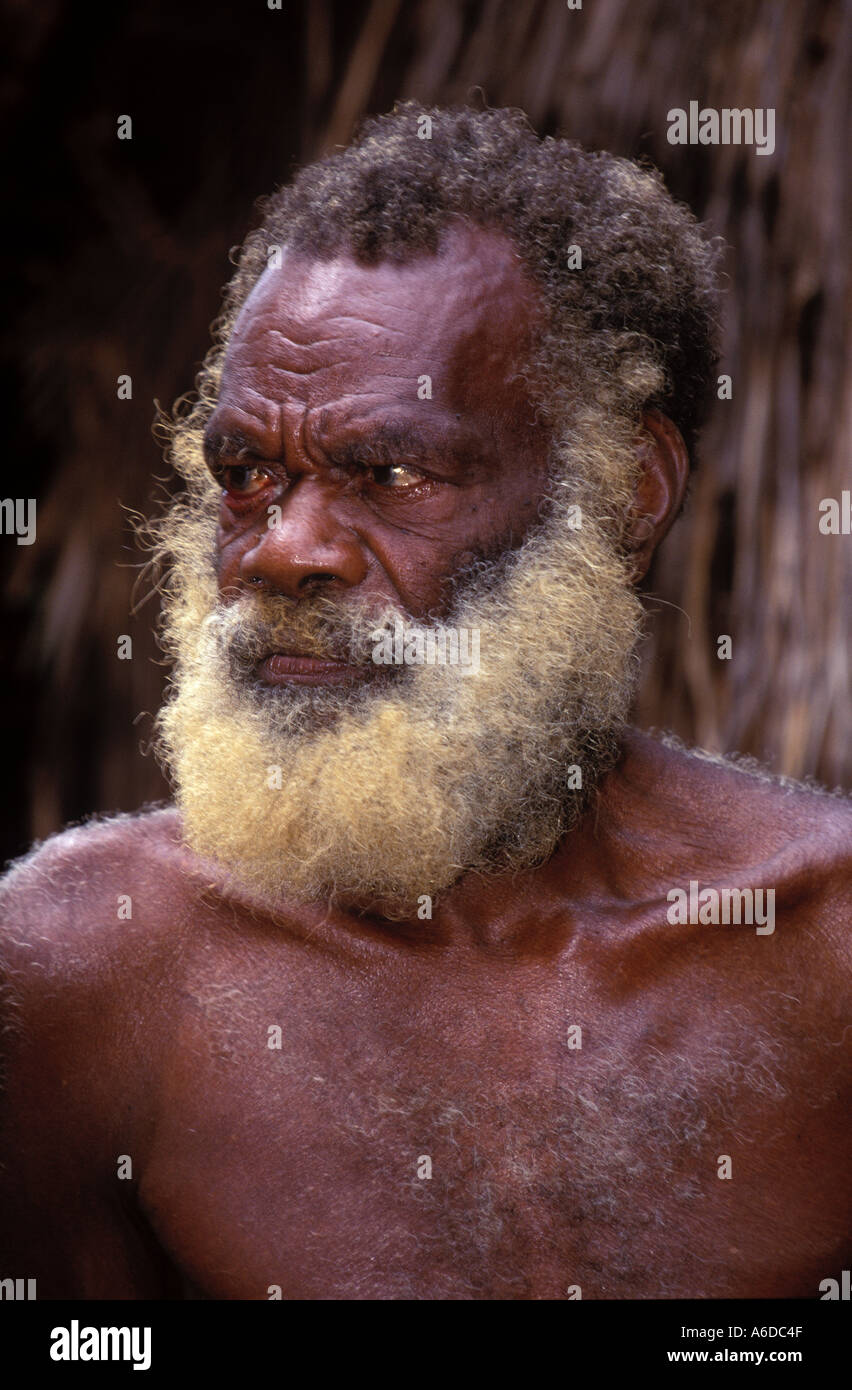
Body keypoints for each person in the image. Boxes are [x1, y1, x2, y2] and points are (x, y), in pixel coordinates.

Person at [1, 104, 848, 1300]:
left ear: (625, 495)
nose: (283, 550)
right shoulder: (80, 978)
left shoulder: (826, 955)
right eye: (247, 473)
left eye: (390, 472)